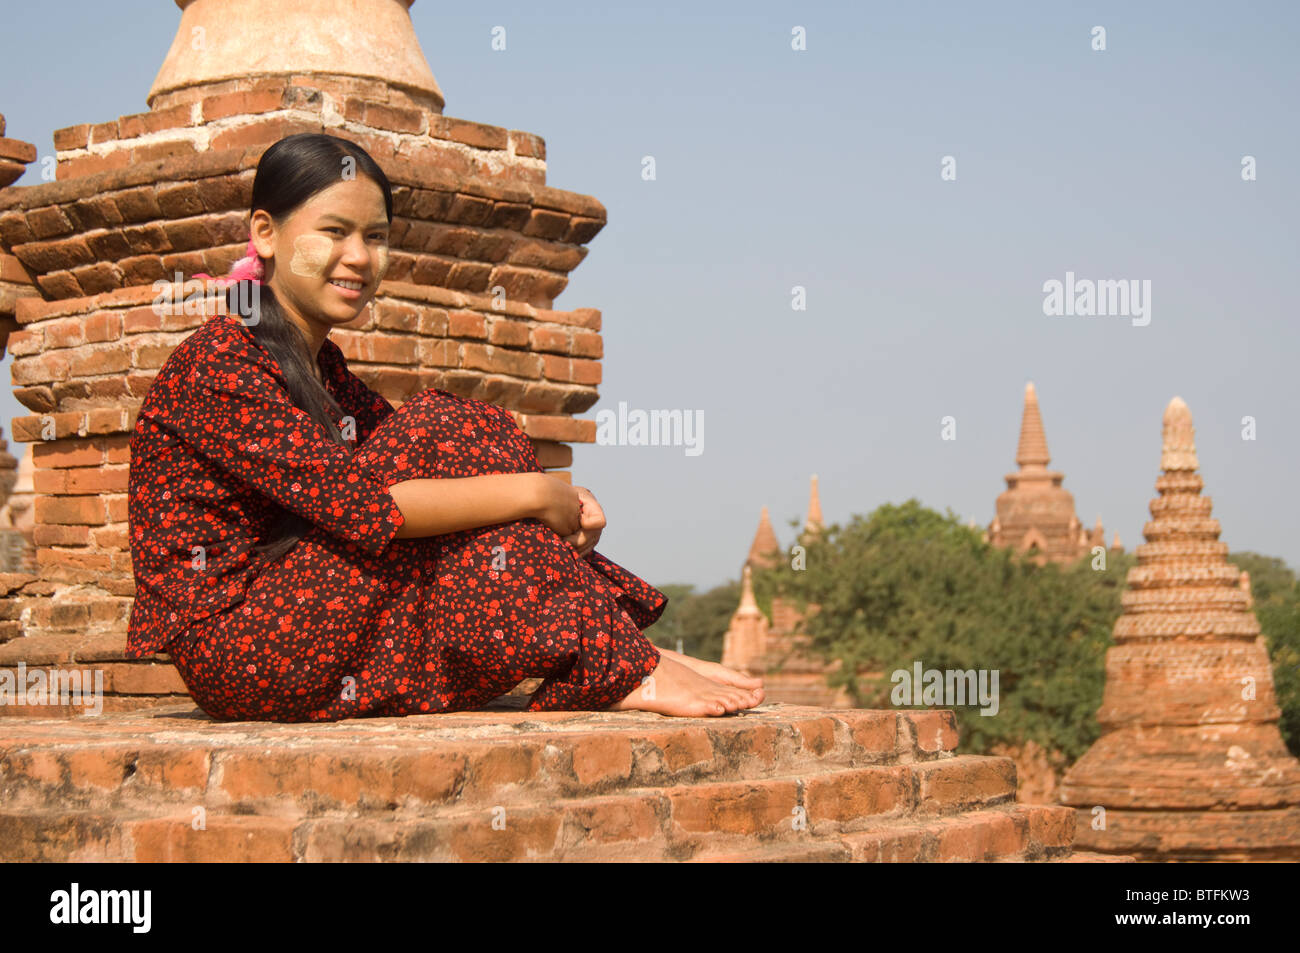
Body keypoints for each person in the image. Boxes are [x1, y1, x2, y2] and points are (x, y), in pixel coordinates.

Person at [126, 132, 764, 722]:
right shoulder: (219, 364)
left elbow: (445, 475)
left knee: (477, 487)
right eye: (335, 231)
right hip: (244, 647)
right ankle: (621, 661)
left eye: (375, 237)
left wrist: (553, 506)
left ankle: (619, 651)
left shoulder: (320, 367)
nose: (359, 257)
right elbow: (369, 510)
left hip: (303, 613)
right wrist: (542, 494)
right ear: (265, 233)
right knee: (446, 424)